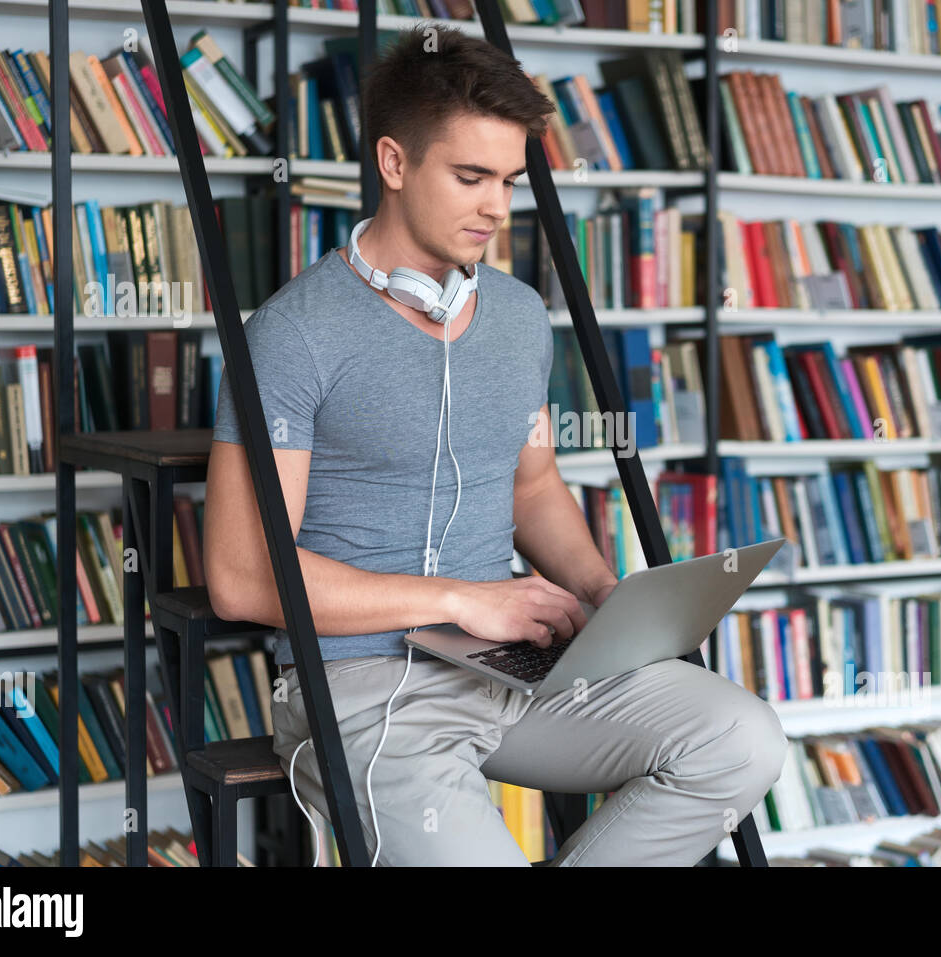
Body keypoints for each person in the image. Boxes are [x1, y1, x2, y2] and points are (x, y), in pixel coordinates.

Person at [204, 22, 786, 866]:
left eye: (510, 180)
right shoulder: (293, 335)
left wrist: (603, 594)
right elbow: (242, 577)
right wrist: (462, 598)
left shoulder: (517, 316)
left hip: (515, 667)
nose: (498, 208)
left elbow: (534, 486)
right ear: (394, 163)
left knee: (739, 734)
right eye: (471, 176)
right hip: (360, 688)